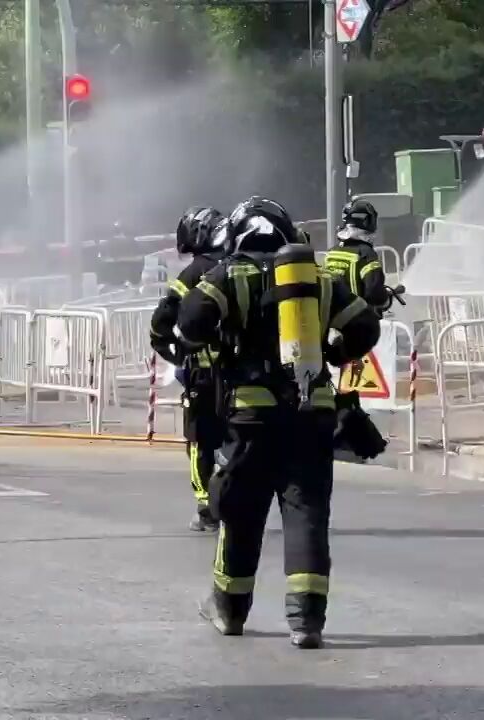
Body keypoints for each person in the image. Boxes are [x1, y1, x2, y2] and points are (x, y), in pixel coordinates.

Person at [177, 196, 380, 649]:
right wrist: (332, 353)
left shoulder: (229, 276)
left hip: (249, 419)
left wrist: (217, 344)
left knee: (241, 513)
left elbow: (190, 323)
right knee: (307, 514)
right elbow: (365, 326)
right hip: (311, 415)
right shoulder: (316, 282)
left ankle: (229, 610)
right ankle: (306, 621)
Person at [148, 206, 229, 533]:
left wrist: (179, 353)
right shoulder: (242, 269)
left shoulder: (193, 274)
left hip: (205, 377)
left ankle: (207, 508)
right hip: (243, 374)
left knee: (199, 442)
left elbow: (160, 325)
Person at [323, 198, 389, 313]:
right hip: (358, 322)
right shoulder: (366, 254)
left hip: (332, 319)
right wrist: (387, 298)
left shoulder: (331, 252)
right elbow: (374, 293)